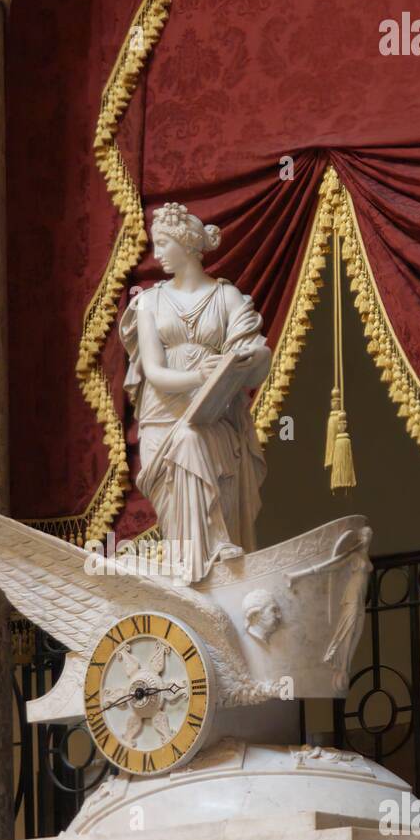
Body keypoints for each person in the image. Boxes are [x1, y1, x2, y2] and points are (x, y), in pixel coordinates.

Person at [120, 202, 269, 584]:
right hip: (162, 416)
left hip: (214, 414)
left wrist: (248, 359)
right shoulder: (149, 302)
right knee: (181, 454)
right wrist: (197, 375)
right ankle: (198, 559)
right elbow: (153, 372)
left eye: (163, 244)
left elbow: (256, 360)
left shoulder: (227, 298)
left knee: (193, 439)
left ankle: (216, 551)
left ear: (186, 245)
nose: (156, 255)